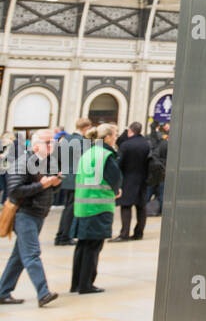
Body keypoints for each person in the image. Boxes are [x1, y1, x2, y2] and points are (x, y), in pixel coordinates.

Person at [0, 129, 61, 307]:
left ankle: (3, 292)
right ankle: (43, 293)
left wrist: (54, 185)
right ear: (35, 146)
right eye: (47, 142)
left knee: (19, 257)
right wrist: (41, 185)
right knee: (32, 254)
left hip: (38, 214)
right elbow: (14, 191)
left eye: (53, 142)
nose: (52, 146)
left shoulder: (46, 162)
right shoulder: (23, 163)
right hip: (25, 214)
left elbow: (48, 188)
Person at [70, 124, 122, 295]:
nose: (116, 138)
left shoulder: (89, 152)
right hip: (98, 206)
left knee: (83, 246)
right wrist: (116, 191)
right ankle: (86, 284)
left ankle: (76, 283)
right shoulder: (105, 155)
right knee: (93, 247)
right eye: (114, 135)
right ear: (107, 137)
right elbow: (115, 178)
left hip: (83, 205)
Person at [52, 118, 92, 246]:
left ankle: (60, 235)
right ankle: (65, 236)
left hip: (66, 177)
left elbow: (57, 157)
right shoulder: (82, 142)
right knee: (71, 209)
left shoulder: (66, 140)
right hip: (76, 178)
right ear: (86, 128)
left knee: (67, 207)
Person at [113, 122, 151, 241]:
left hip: (128, 179)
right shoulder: (147, 144)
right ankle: (139, 233)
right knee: (141, 207)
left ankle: (124, 234)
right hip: (143, 179)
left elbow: (119, 163)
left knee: (126, 206)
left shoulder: (126, 145)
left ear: (130, 131)